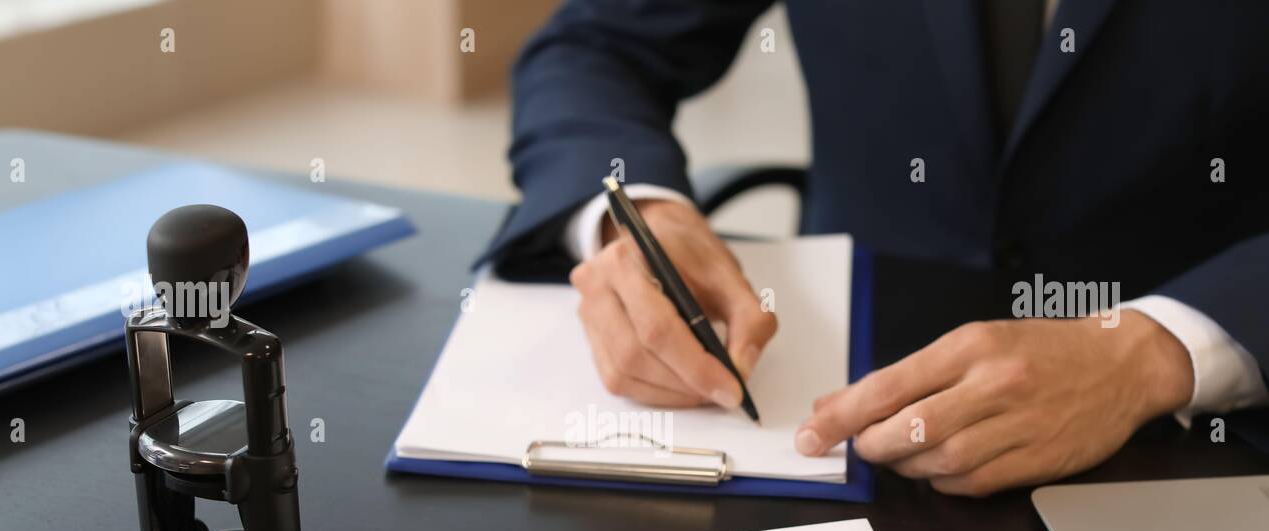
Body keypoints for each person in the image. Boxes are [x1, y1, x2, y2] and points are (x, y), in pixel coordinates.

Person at [483, 0, 1269, 496]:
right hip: (844, 429)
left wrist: (1154, 353)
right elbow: (595, 45)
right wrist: (638, 214)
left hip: (1205, 444)